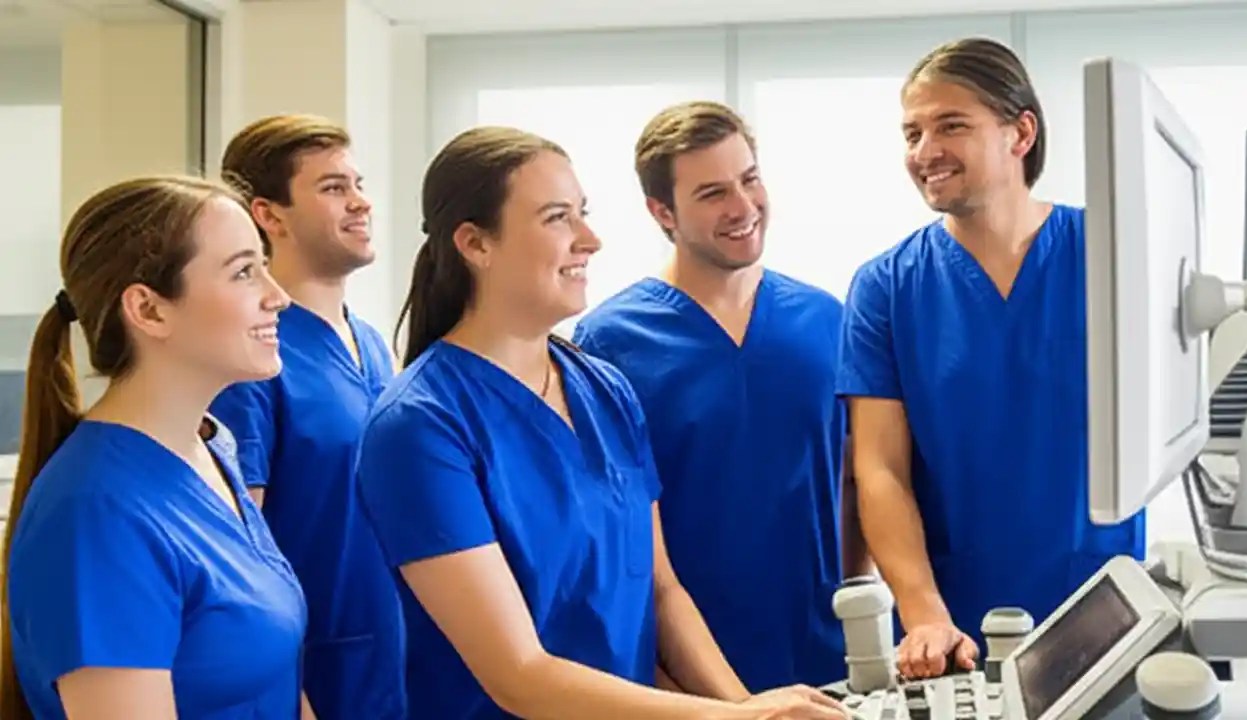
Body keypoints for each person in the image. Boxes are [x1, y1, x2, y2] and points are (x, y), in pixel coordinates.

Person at [355, 125, 846, 720]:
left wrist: (750, 705)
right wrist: (737, 719)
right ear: (475, 243)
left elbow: (663, 594)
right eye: (558, 218)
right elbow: (520, 675)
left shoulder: (604, 389)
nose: (591, 239)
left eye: (582, 213)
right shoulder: (420, 426)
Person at [838, 37, 1145, 680]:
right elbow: (880, 468)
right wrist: (923, 613)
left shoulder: (1114, 255)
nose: (925, 152)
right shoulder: (886, 287)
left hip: (1105, 617)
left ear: (1020, 132)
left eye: (951, 125)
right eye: (912, 132)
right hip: (953, 635)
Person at [571, 100, 869, 692]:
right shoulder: (607, 342)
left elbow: (853, 479)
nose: (742, 207)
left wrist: (856, 612)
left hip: (828, 660)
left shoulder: (824, 319)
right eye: (712, 193)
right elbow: (612, 534)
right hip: (687, 676)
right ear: (662, 212)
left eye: (749, 179)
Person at [1, 176, 310, 719]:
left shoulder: (213, 449)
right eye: (244, 272)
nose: (278, 296)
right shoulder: (96, 515)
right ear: (149, 311)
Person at [209, 114, 405, 719]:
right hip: (316, 675)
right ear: (269, 215)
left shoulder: (372, 345)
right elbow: (241, 559)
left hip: (395, 663)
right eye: (332, 188)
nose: (360, 203)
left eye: (358, 183)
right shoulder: (253, 359)